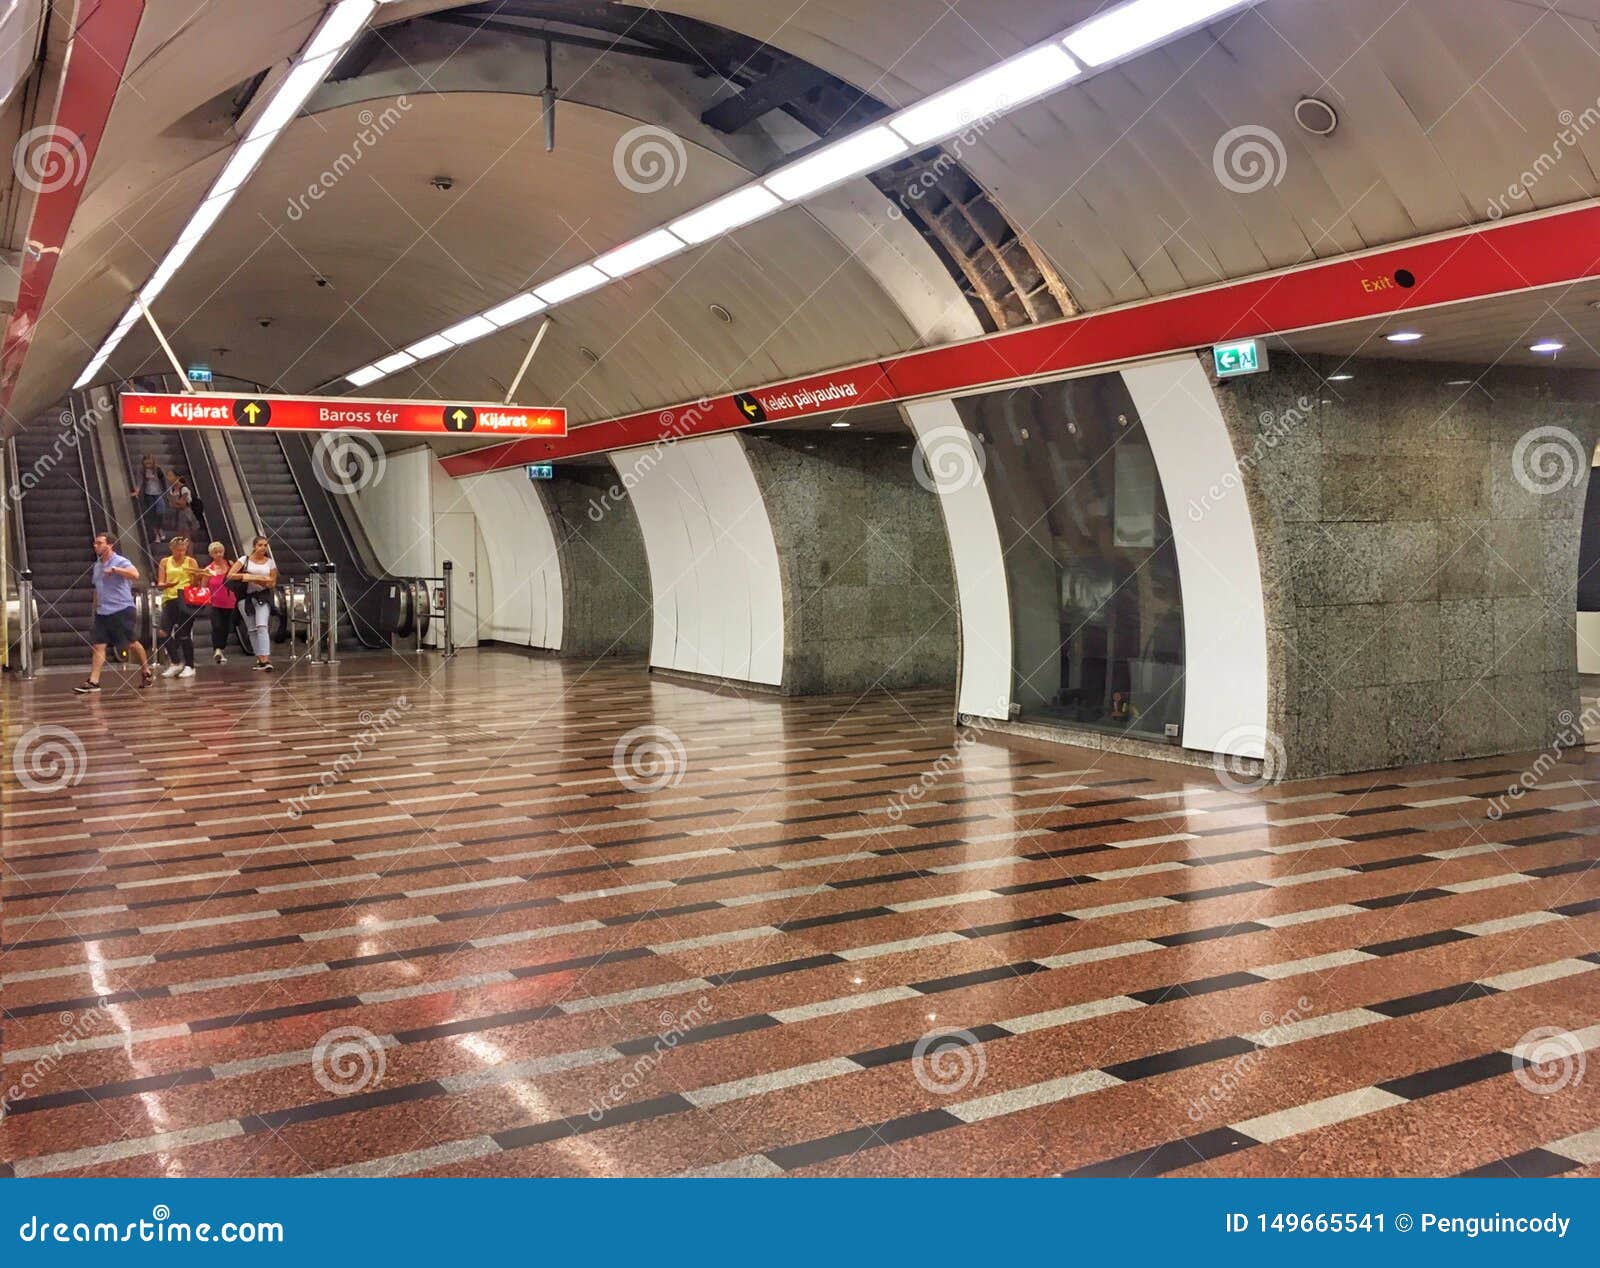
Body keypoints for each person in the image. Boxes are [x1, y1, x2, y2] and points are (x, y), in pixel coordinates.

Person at [76, 532, 153, 693]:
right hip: (103, 612)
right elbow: (97, 589)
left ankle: (146, 670)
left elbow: (135, 574)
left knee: (131, 643)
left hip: (122, 609)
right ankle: (94, 681)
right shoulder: (97, 565)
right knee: (98, 645)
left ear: (109, 545)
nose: (95, 545)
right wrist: (95, 608)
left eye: (99, 543)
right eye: (95, 543)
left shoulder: (120, 561)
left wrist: (116, 570)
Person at [156, 534, 204, 678]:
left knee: (184, 634)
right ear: (172, 549)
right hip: (169, 598)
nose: (181, 552)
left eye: (183, 549)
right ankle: (175, 661)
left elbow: (195, 584)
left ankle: (190, 665)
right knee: (163, 632)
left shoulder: (191, 562)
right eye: (178, 550)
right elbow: (160, 583)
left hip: (186, 598)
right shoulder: (165, 561)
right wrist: (167, 585)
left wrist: (198, 576)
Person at [229, 535, 278, 671]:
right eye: (260, 545)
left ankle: (265, 658)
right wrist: (250, 576)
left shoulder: (270, 562)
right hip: (245, 597)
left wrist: (256, 580)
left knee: (262, 626)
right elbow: (230, 575)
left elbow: (272, 582)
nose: (263, 548)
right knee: (251, 629)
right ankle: (259, 658)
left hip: (262, 596)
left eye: (265, 545)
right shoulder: (244, 560)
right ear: (254, 546)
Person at [203, 541, 238, 663]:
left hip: (230, 601)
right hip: (215, 602)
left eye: (220, 551)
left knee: (227, 627)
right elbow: (203, 586)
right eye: (215, 552)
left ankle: (221, 648)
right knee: (217, 625)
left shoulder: (230, 564)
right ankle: (217, 650)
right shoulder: (208, 569)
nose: (218, 554)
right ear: (211, 554)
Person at [130, 454, 165, 544]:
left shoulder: (158, 470)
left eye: (150, 463)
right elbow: (139, 481)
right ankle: (156, 535)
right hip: (148, 494)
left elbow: (163, 481)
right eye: (146, 463)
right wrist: (137, 491)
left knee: (160, 511)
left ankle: (160, 528)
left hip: (158, 493)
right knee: (152, 515)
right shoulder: (142, 471)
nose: (148, 465)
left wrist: (167, 493)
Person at [166, 469, 201, 541]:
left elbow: (183, 504)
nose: (168, 478)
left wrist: (175, 503)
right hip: (177, 514)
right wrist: (176, 503)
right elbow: (171, 504)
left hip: (185, 514)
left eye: (170, 476)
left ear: (177, 477)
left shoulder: (183, 489)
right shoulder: (172, 490)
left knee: (186, 537)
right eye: (167, 476)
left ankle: (189, 552)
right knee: (180, 537)